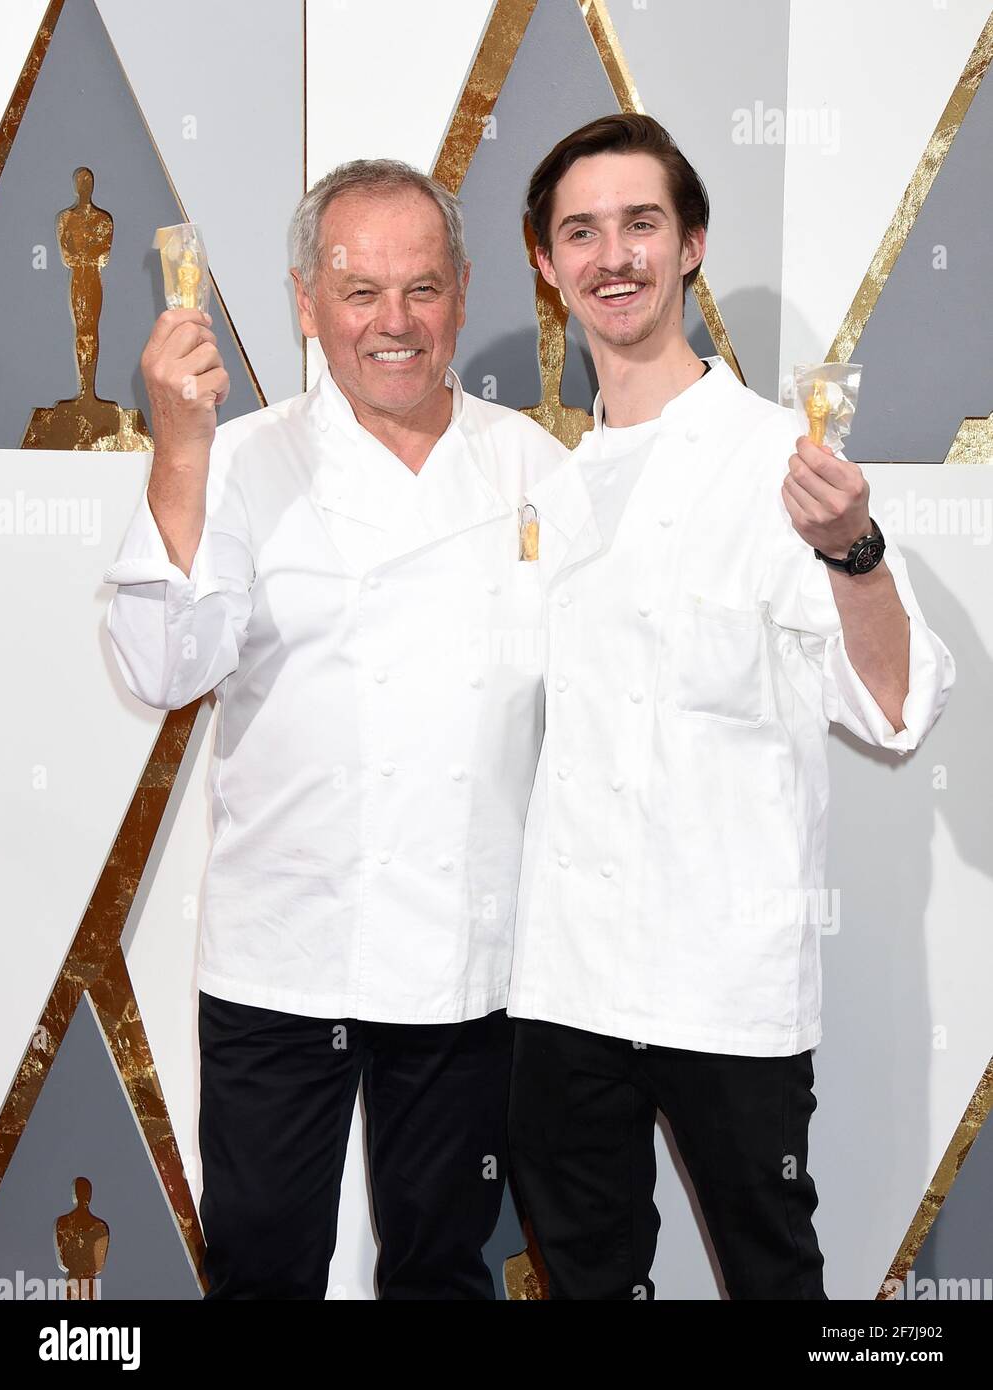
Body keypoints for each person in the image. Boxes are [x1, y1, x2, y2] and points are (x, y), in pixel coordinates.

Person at [506, 114, 956, 1300]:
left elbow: (894, 707)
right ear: (546, 264)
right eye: (580, 231)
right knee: (589, 1281)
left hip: (727, 987)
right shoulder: (541, 486)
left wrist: (850, 552)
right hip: (560, 985)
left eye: (640, 224)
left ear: (690, 243)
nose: (613, 255)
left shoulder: (784, 463)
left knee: (774, 1283)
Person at [103, 159, 566, 1300]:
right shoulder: (239, 458)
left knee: (441, 1265)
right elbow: (161, 666)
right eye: (360, 293)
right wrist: (175, 444)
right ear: (306, 302)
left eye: (421, 289)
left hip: (469, 964)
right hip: (282, 961)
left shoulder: (537, 469)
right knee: (260, 1266)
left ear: (461, 291)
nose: (393, 323)